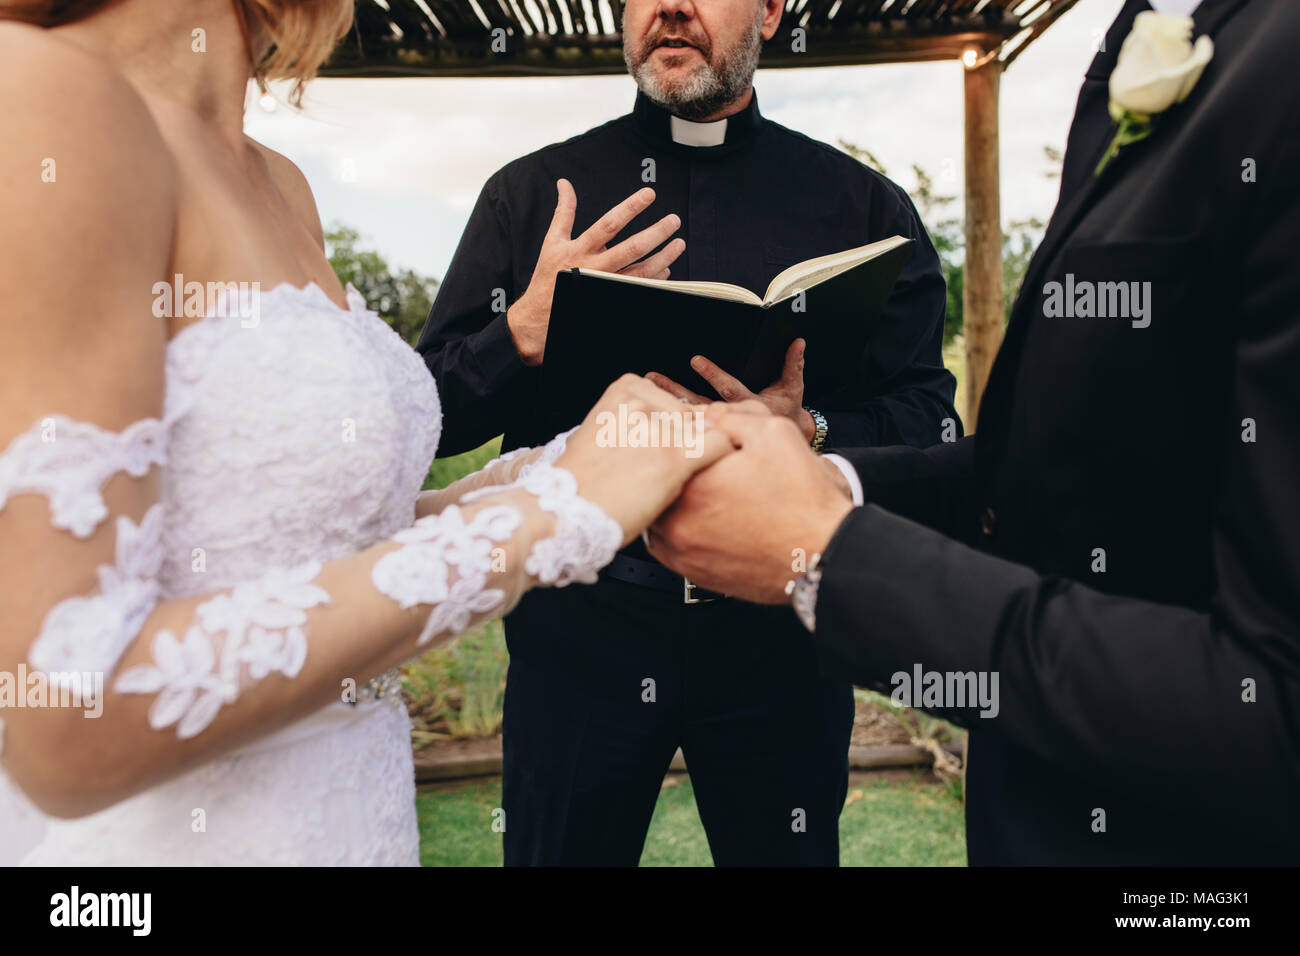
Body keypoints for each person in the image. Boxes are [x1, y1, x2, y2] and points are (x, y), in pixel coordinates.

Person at [0, 0, 728, 865]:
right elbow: (69, 716)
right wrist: (554, 518)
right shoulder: (42, 92)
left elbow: (302, 552)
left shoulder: (280, 183)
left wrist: (554, 469)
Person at [648, 0, 1300, 864]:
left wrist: (828, 548)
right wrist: (835, 483)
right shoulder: (1143, 34)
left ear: (771, 14)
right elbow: (1067, 470)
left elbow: (1273, 703)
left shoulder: (866, 203)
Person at [418, 0, 957, 865]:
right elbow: (428, 421)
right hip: (577, 637)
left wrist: (807, 425)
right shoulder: (527, 197)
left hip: (779, 635)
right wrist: (517, 332)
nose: (669, 5)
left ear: (774, 11)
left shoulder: (862, 205)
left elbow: (930, 418)